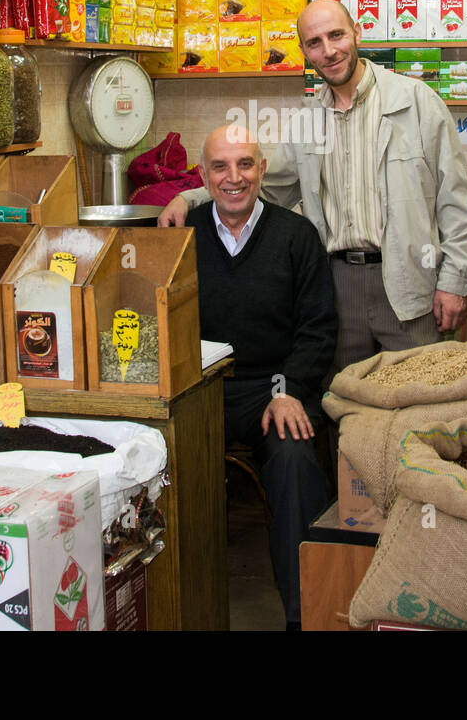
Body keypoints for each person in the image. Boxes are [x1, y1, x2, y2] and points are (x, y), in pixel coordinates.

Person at [160, 0, 467, 372]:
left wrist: (455, 281)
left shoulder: (416, 103)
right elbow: (263, 187)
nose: (329, 51)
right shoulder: (307, 122)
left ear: (356, 32)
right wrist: (192, 197)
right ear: (304, 52)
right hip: (337, 288)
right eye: (315, 42)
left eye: (336, 35)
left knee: (419, 403)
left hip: (411, 284)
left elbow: (456, 200)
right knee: (341, 404)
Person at [189, 124, 338, 632]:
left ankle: (308, 615)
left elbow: (318, 328)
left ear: (263, 170)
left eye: (246, 164)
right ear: (203, 175)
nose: (234, 178)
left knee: (295, 460)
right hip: (199, 388)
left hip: (272, 388)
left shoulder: (296, 236)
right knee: (155, 463)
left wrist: (291, 391)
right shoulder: (183, 235)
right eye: (221, 166)